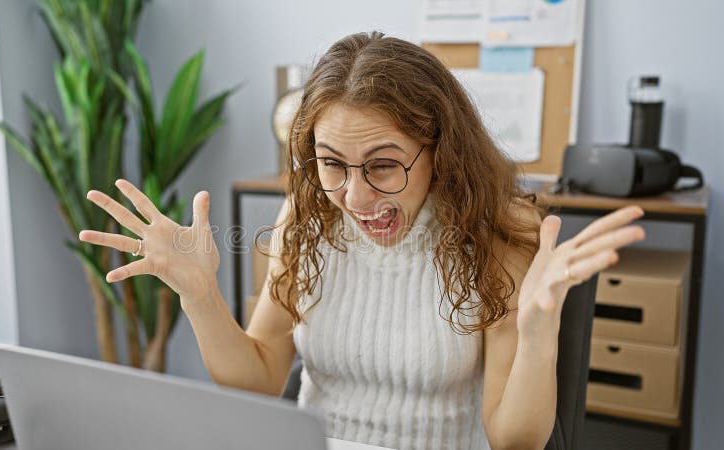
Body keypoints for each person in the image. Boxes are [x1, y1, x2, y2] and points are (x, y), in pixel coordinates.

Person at [79, 31, 645, 450]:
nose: (354, 197)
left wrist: (538, 329)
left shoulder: (497, 236)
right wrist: (200, 296)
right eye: (332, 165)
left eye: (383, 166)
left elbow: (513, 441)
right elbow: (257, 379)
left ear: (441, 154)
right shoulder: (305, 220)